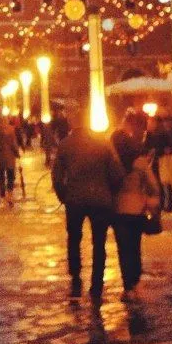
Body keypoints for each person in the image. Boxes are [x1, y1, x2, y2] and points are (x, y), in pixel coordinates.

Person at [52, 125, 125, 301]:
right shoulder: (103, 144)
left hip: (75, 200)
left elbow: (57, 176)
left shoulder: (65, 145)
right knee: (99, 243)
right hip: (100, 200)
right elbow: (117, 174)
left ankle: (76, 278)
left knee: (74, 239)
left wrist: (64, 195)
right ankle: (97, 283)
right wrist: (109, 191)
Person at [113, 140, 160, 301]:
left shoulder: (113, 161)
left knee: (123, 249)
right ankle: (136, 280)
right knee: (135, 247)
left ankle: (128, 287)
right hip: (137, 209)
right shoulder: (140, 163)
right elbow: (153, 185)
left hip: (118, 209)